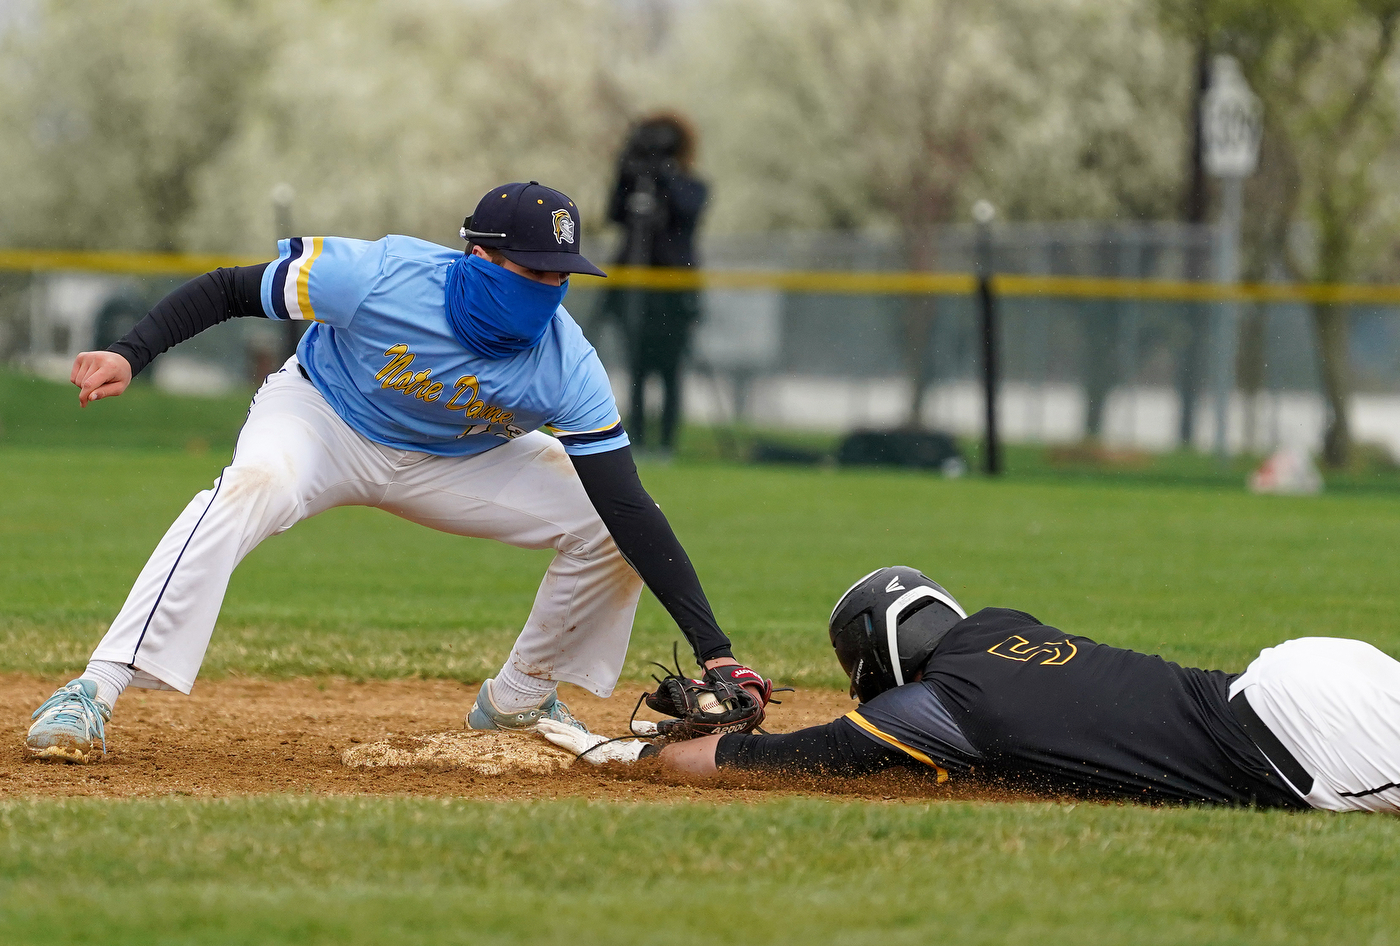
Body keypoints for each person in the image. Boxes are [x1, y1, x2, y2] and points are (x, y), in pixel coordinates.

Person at [26, 181, 768, 763]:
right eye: (533, 268)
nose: (550, 285)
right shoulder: (378, 275)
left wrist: (717, 651)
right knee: (249, 488)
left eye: (562, 272)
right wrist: (131, 352)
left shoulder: (567, 362)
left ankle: (516, 699)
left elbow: (628, 506)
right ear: (479, 258)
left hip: (454, 461)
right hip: (322, 420)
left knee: (602, 521)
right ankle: (97, 686)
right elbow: (228, 289)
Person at [544, 566, 1400, 812]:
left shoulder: (936, 708)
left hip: (1299, 741)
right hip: (1294, 674)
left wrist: (622, 753)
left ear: (877, 661)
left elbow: (770, 758)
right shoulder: (1003, 623)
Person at [599, 114, 708, 454]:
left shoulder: (691, 185)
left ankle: (665, 442)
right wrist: (626, 171)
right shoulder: (634, 179)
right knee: (636, 367)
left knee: (670, 370)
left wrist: (665, 173)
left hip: (673, 293)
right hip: (631, 286)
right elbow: (614, 213)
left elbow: (686, 211)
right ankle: (637, 437)